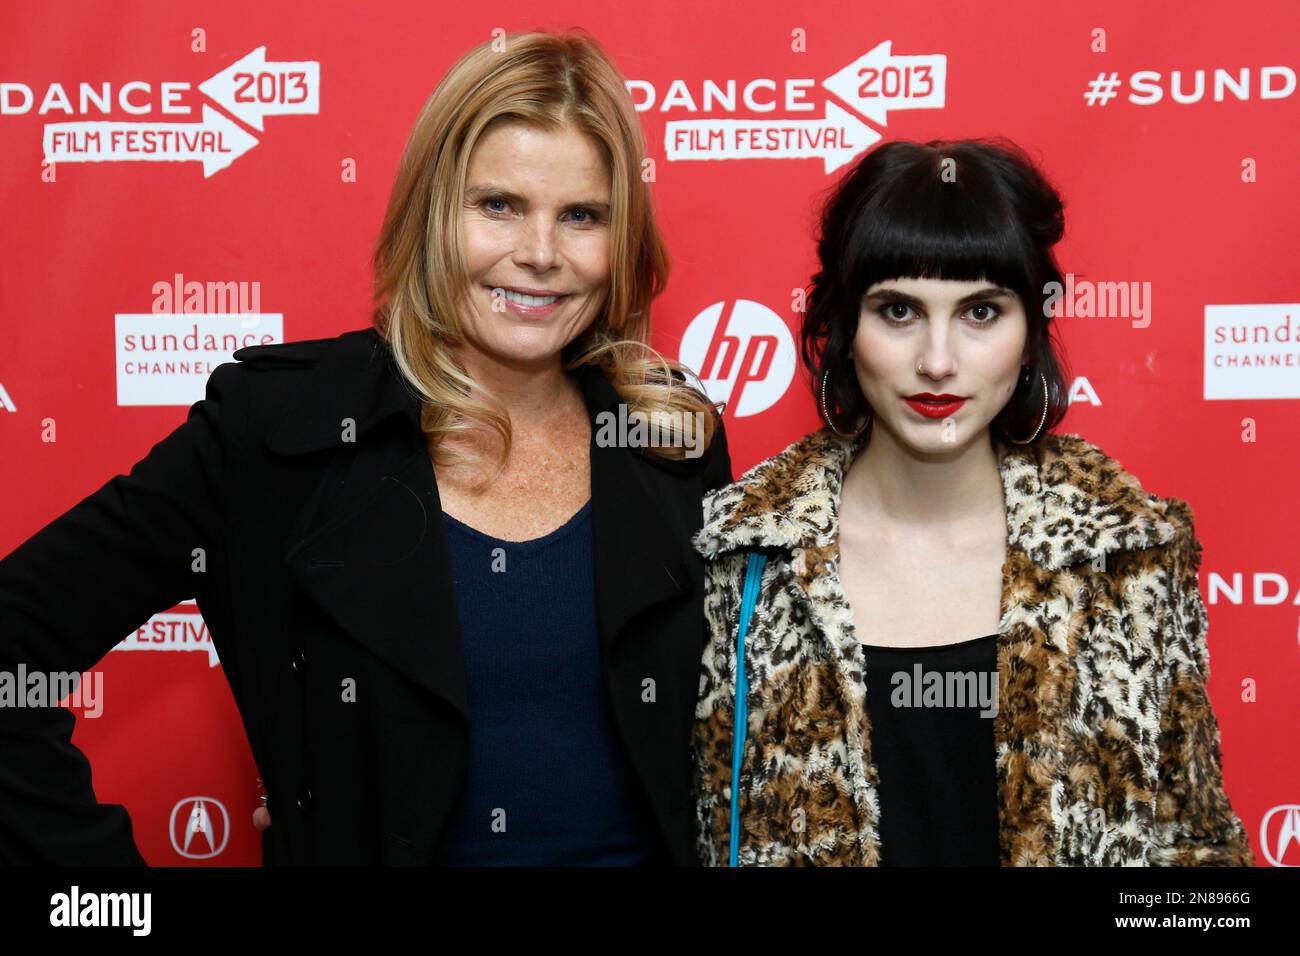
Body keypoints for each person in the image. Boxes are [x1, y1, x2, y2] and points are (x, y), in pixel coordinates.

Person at [0, 30, 730, 866]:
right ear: (430, 213)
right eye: (497, 205)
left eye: (581, 216)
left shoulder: (671, 440)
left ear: (623, 236)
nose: (539, 254)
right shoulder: (277, 431)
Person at [690, 139, 1254, 866]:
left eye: (981, 312)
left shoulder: (1126, 557)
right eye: (898, 310)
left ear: (1031, 332)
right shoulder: (743, 559)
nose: (937, 360)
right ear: (844, 328)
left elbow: (1198, 857)